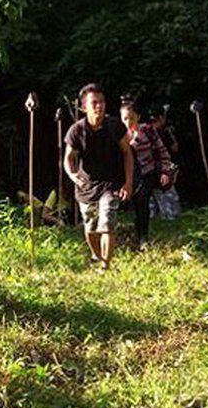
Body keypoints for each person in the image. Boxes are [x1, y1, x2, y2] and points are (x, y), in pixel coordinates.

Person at [64, 83, 134, 269]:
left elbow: (127, 153)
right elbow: (68, 159)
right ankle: (97, 255)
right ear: (84, 106)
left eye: (102, 102)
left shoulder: (115, 126)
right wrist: (73, 176)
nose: (99, 106)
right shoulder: (77, 130)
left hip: (111, 183)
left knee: (107, 222)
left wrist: (128, 183)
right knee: (90, 228)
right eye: (94, 102)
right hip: (86, 185)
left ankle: (106, 266)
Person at [120, 95, 172, 249]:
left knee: (142, 201)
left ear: (138, 117)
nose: (127, 122)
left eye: (131, 118)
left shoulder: (148, 131)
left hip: (147, 173)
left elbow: (163, 152)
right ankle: (135, 235)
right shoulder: (119, 135)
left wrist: (165, 171)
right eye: (124, 119)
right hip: (129, 175)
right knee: (134, 205)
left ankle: (144, 238)